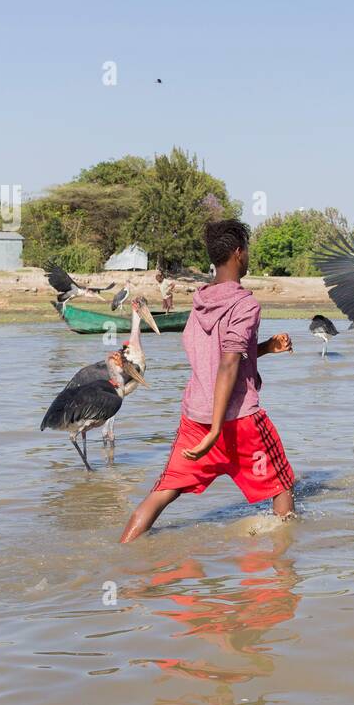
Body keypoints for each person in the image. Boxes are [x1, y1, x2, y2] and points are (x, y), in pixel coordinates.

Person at [120, 220, 296, 543]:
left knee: (161, 493)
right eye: (248, 251)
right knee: (282, 487)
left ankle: (122, 558)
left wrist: (267, 348)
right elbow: (228, 364)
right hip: (238, 421)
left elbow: (221, 356)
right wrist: (217, 430)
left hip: (194, 419)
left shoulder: (200, 302)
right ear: (238, 254)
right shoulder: (245, 305)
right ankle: (282, 583)